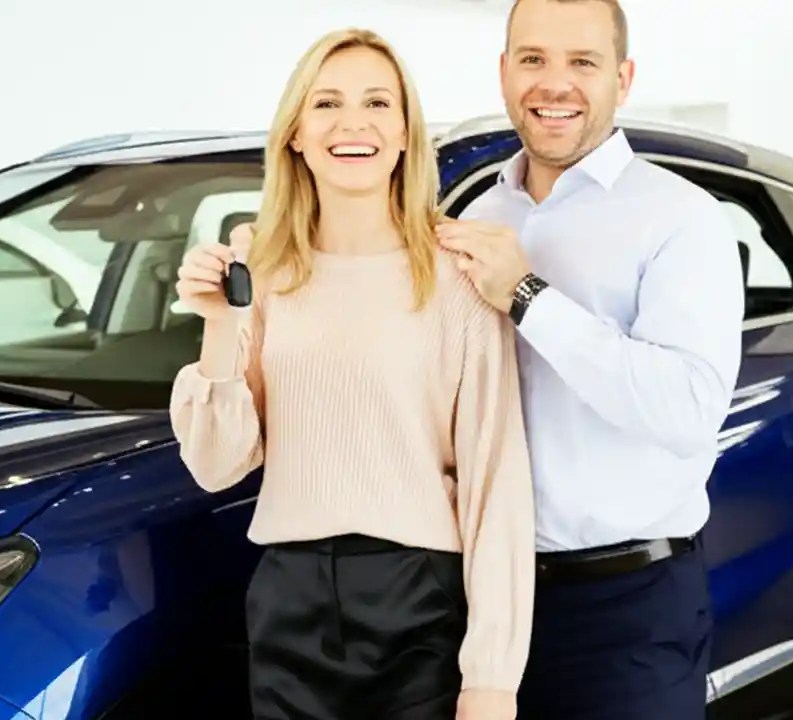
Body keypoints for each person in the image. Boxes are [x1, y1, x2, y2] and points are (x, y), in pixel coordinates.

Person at [168, 27, 535, 720]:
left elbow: (497, 482)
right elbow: (216, 466)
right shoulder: (264, 273)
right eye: (328, 103)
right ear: (296, 135)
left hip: (418, 599)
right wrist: (220, 323)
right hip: (289, 597)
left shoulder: (457, 276)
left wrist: (492, 680)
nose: (353, 123)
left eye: (377, 103)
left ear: (404, 133)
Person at [436, 0, 744, 717]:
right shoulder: (478, 219)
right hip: (482, 603)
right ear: (505, 72)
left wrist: (526, 295)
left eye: (583, 62)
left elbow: (689, 407)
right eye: (534, 59)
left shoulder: (680, 217)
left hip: (626, 609)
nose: (554, 84)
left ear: (623, 78)